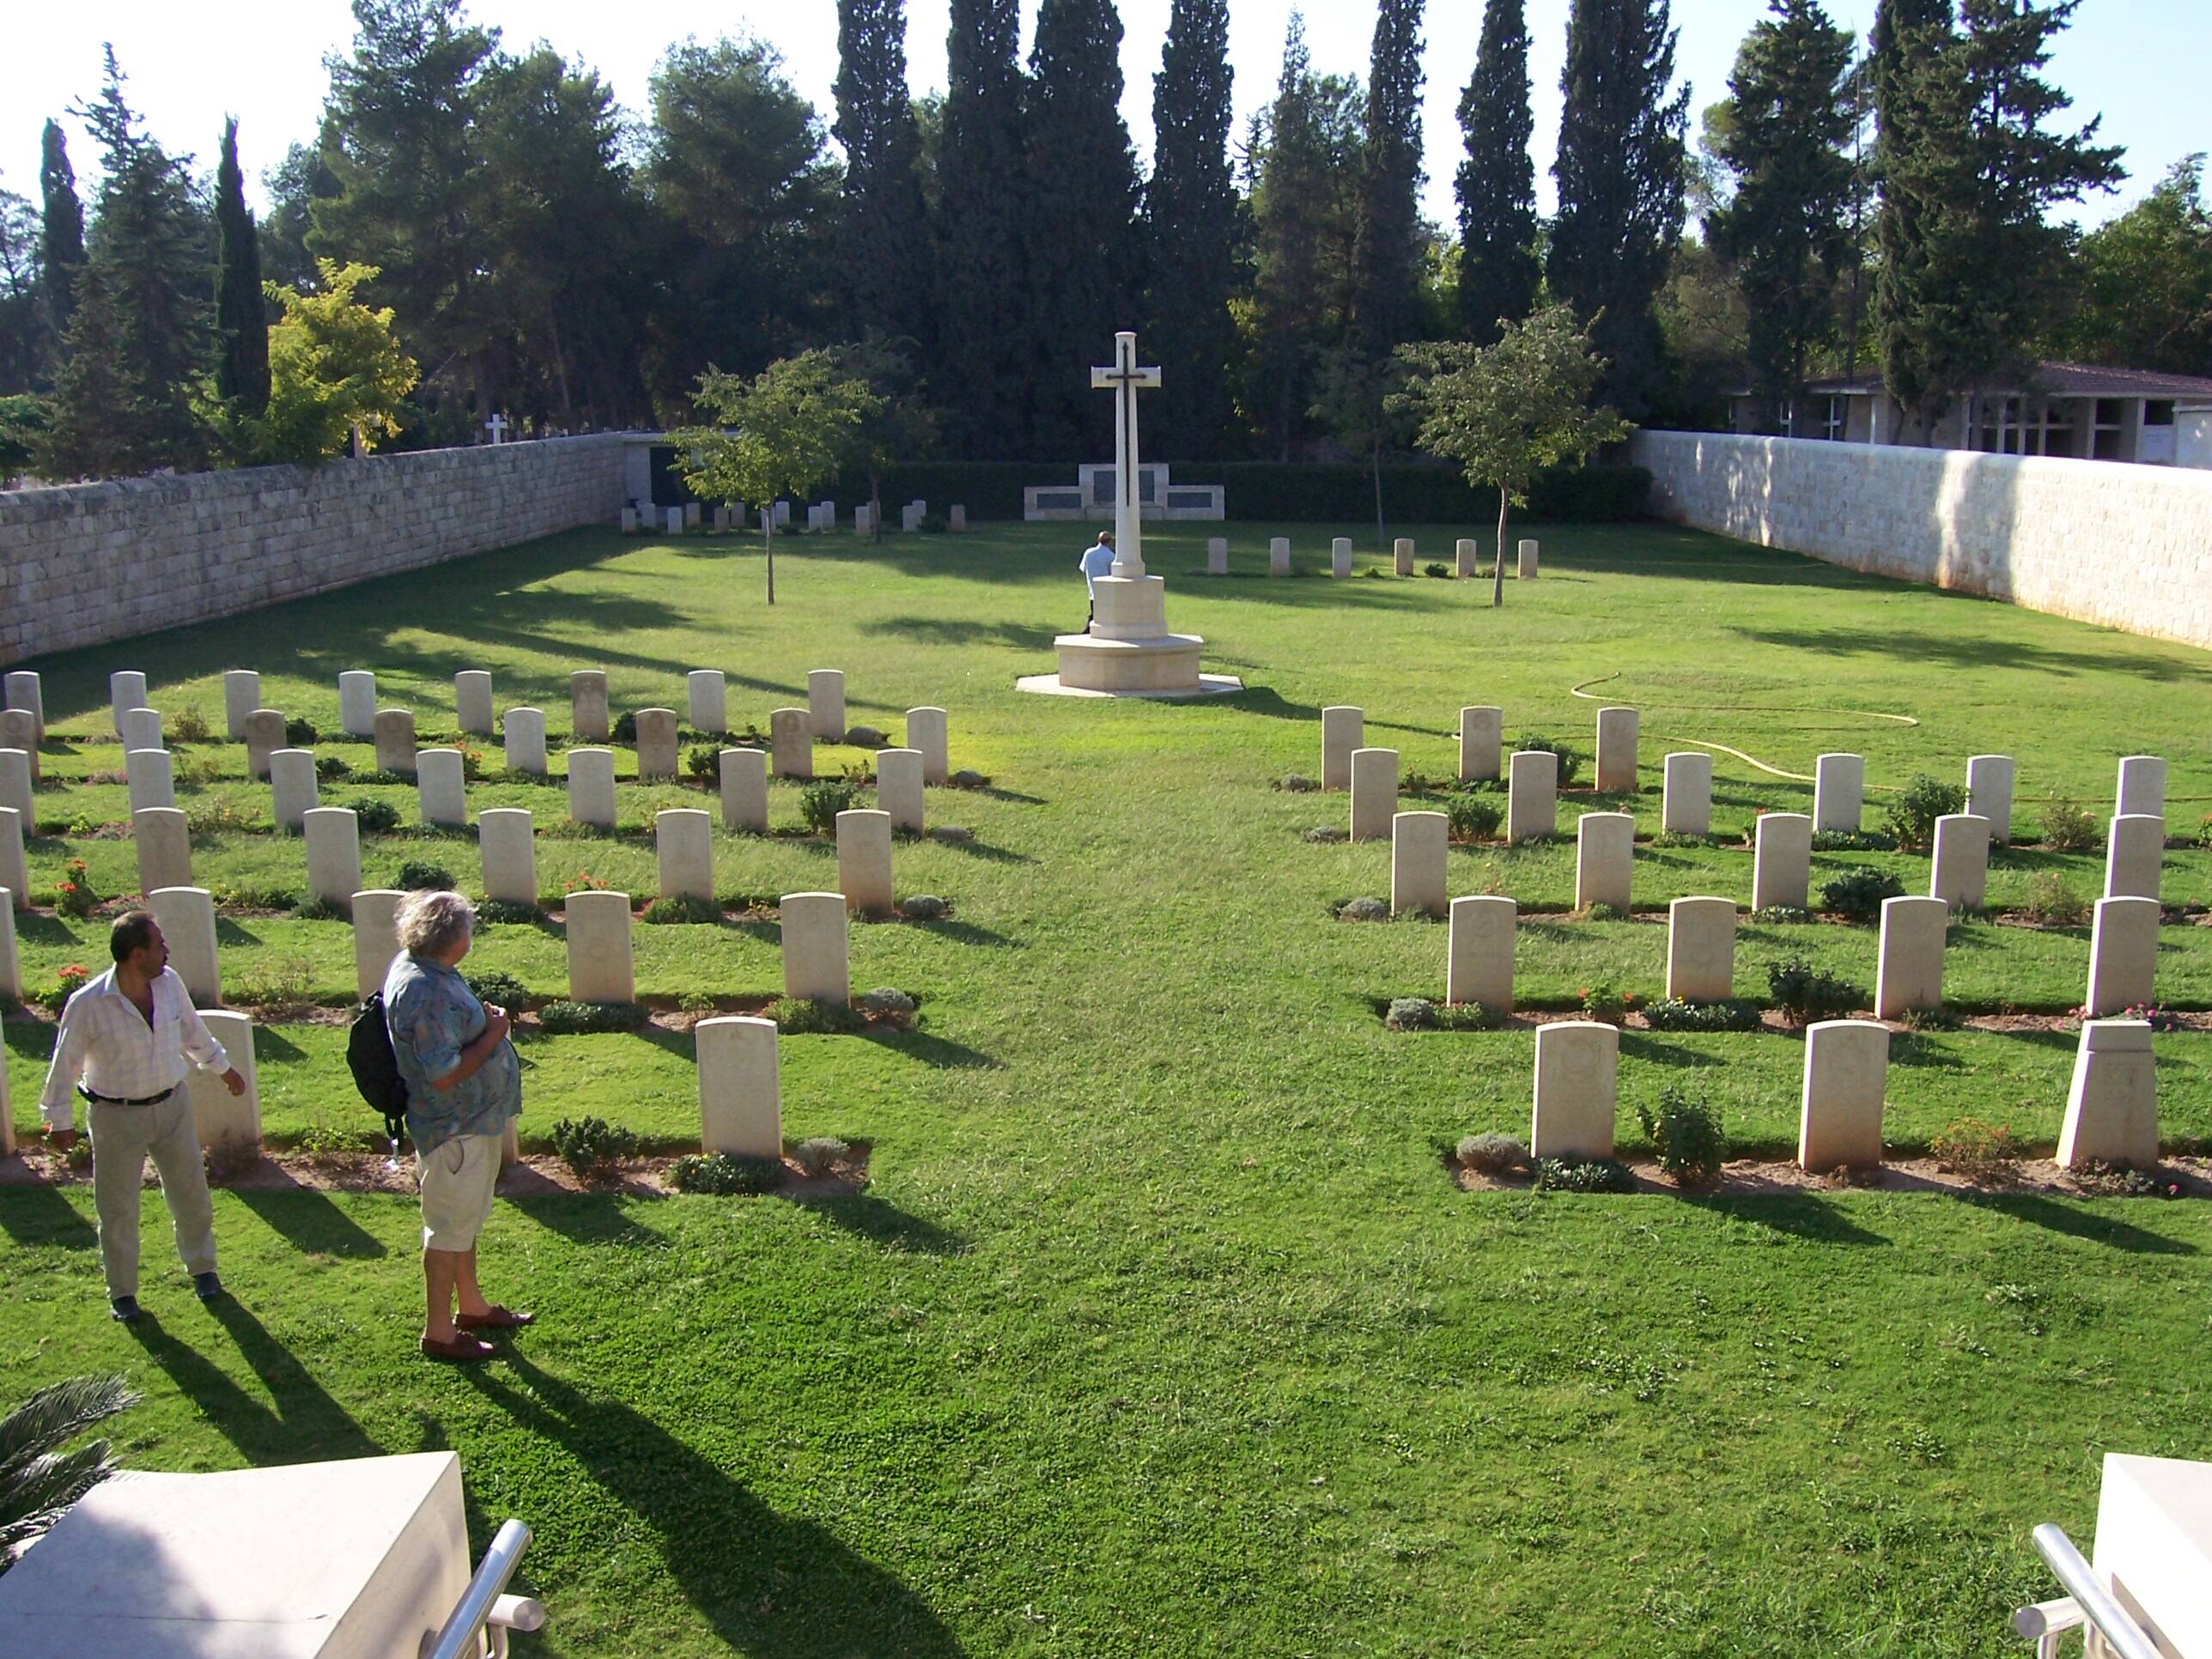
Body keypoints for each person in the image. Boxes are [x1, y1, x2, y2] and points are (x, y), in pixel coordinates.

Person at [40, 911, 247, 1322]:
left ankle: (203, 1270)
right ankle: (123, 1294)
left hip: (172, 1106)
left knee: (191, 1194)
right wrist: (59, 1120)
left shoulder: (169, 984)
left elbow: (193, 1032)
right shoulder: (88, 1004)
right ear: (137, 955)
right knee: (118, 1209)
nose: (167, 951)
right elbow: (65, 1063)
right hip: (115, 1117)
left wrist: (224, 1069)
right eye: (159, 945)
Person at [382, 889, 530, 1363]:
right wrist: (494, 1033)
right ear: (454, 939)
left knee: (462, 1222)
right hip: (455, 1129)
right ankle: (439, 1332)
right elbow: (443, 1074)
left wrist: (479, 1023)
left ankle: (472, 1307)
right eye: (469, 929)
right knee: (447, 1230)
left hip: (470, 1123)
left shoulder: (424, 967)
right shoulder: (427, 990)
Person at [1078, 530, 1117, 632]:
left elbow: (1083, 569)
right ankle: (1088, 631)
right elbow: (1113, 573)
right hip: (1105, 588)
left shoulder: (1088, 553)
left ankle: (1089, 630)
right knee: (1101, 613)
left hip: (1092, 586)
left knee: (1094, 609)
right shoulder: (1111, 556)